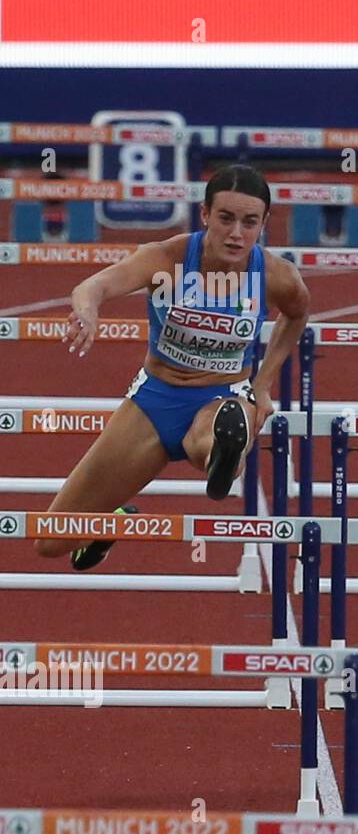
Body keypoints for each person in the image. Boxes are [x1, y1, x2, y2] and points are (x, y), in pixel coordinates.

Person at [36, 164, 310, 569]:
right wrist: (87, 311)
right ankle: (111, 522)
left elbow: (297, 314)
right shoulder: (166, 258)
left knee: (217, 443)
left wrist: (263, 384)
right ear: (205, 215)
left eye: (250, 222)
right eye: (226, 219)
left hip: (222, 397)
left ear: (264, 223)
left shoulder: (274, 276)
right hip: (155, 399)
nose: (236, 233)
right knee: (50, 540)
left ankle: (223, 454)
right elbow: (94, 286)